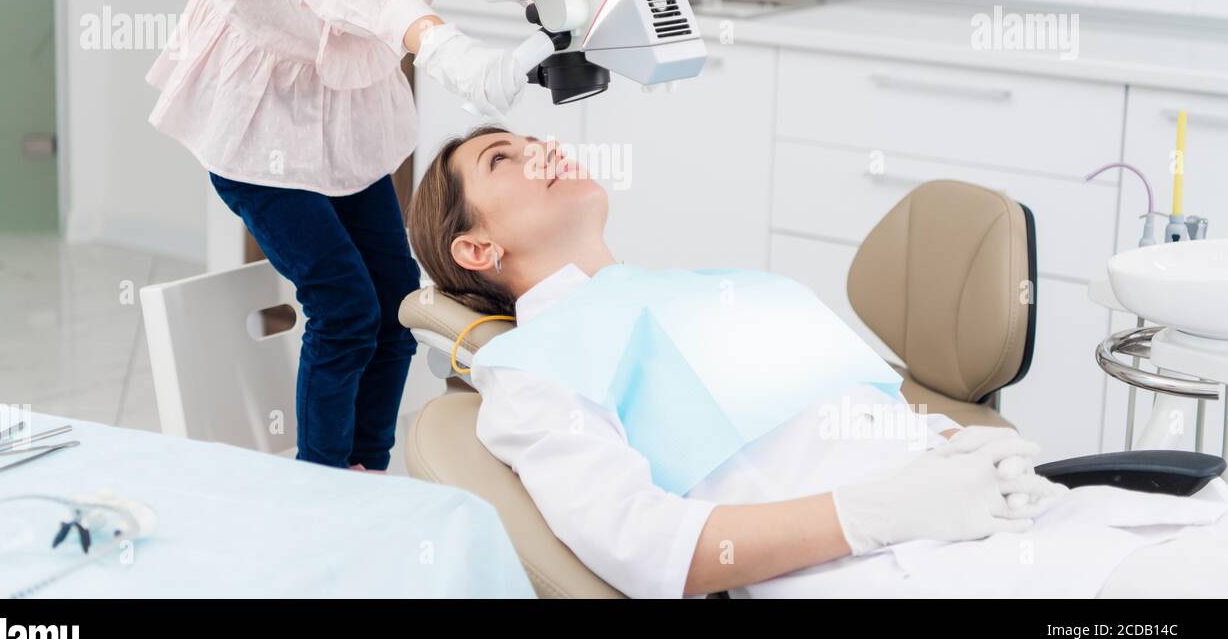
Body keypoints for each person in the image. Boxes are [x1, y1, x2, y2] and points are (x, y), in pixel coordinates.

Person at [405, 126, 1228, 598]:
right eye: (501, 160)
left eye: (529, 137)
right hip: (896, 572)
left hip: (1006, 526)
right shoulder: (531, 367)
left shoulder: (701, 290)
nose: (539, 149)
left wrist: (956, 445)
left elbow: (846, 415)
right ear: (475, 246)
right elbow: (644, 548)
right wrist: (883, 511)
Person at [145, 0, 533, 470]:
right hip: (257, 136)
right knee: (347, 308)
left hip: (345, 123)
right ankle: (322, 484)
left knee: (395, 303)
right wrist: (437, 40)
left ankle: (366, 466)